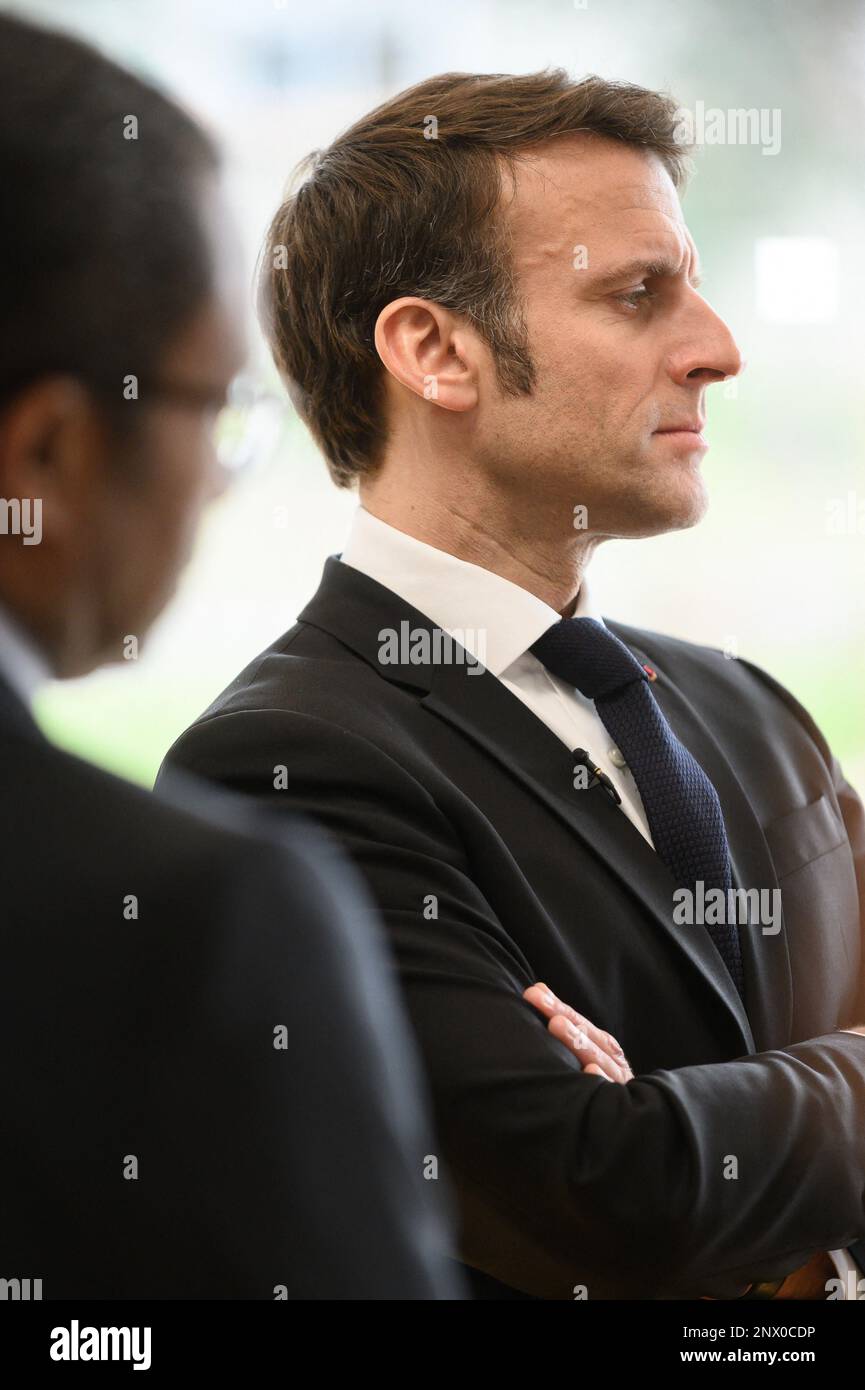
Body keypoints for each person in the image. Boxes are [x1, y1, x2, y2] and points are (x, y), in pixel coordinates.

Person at [160, 69, 865, 1300]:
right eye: (639, 294)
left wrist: (699, 1129)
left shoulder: (749, 706)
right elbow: (609, 1194)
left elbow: (662, 1162)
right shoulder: (281, 767)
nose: (717, 349)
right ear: (434, 349)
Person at [0, 14, 462, 1300]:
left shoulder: (741, 711)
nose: (215, 484)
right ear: (43, 454)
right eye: (219, 408)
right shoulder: (199, 914)